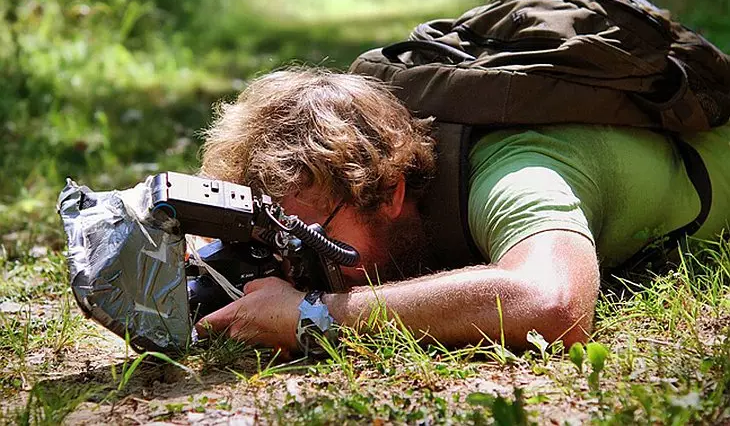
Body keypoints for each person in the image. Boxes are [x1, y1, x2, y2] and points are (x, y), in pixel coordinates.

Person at [195, 67, 730, 354]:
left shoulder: (516, 173)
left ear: (392, 192)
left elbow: (554, 305)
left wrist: (312, 315)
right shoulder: (372, 187)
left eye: (309, 238)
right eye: (277, 239)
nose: (295, 265)